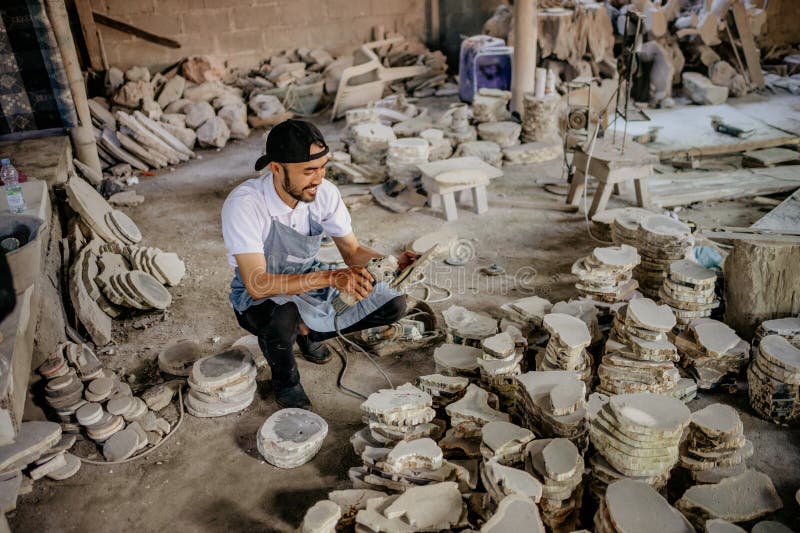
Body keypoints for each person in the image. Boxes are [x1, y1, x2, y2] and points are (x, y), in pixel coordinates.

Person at [222, 119, 417, 409]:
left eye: (323, 167)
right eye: (309, 171)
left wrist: (391, 263)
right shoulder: (245, 204)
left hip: (308, 282)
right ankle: (286, 381)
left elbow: (352, 251)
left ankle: (308, 331)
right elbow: (257, 283)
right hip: (259, 297)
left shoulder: (324, 193)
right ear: (276, 168)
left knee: (393, 302)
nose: (319, 178)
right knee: (282, 315)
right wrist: (330, 278)